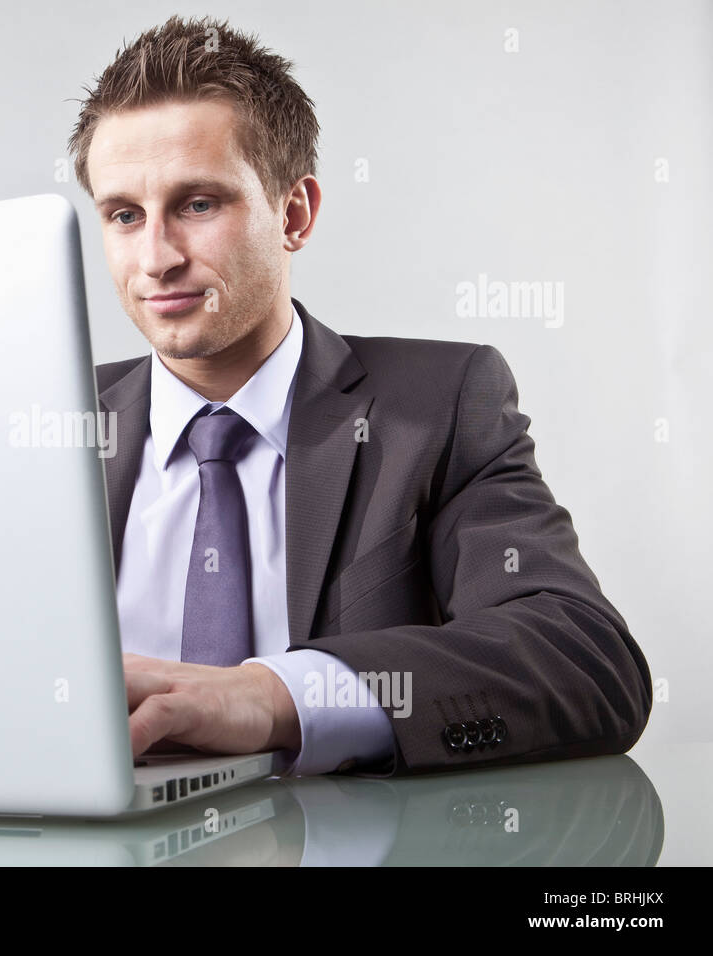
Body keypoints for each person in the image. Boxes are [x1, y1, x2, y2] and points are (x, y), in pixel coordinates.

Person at [67, 14, 651, 776]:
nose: (157, 258)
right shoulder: (55, 429)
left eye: (198, 204)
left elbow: (582, 656)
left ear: (295, 213)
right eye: (123, 216)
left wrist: (273, 697)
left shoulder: (437, 408)